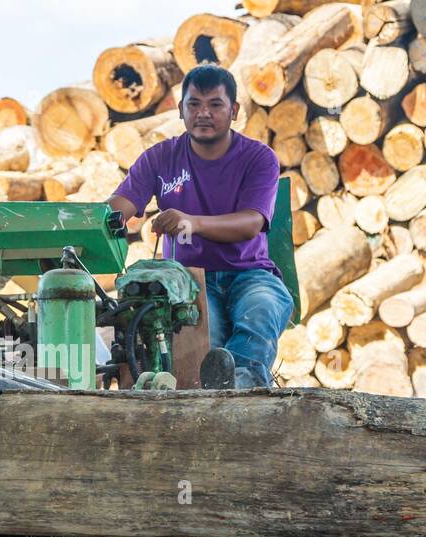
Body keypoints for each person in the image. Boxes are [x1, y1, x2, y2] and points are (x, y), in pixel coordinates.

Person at [107, 65, 291, 389]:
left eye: (215, 105)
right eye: (194, 104)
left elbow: (251, 223)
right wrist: (90, 220)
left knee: (263, 308)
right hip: (188, 281)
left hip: (250, 273)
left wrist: (193, 222)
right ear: (180, 110)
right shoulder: (160, 158)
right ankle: (216, 392)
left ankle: (240, 388)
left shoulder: (259, 158)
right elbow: (117, 208)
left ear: (234, 111)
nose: (203, 113)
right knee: (206, 337)